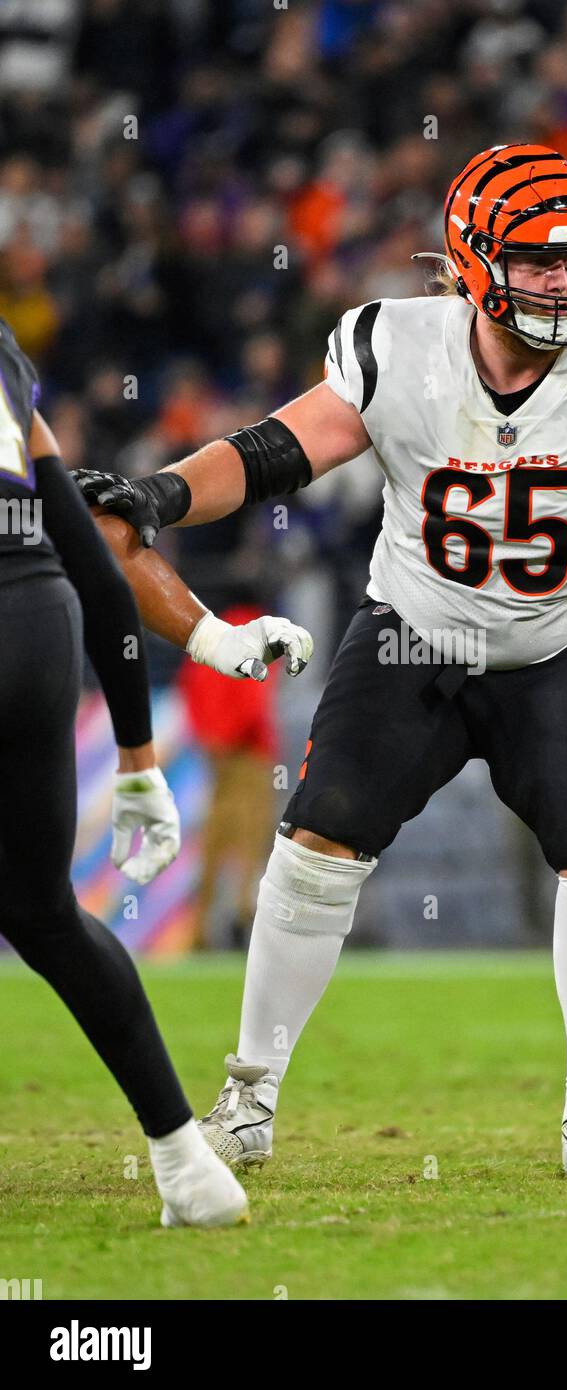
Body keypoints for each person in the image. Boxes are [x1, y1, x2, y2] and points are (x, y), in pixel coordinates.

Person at [75, 144, 567, 1178]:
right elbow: (274, 449)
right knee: (317, 841)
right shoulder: (399, 344)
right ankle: (248, 1095)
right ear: (475, 261)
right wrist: (162, 493)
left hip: (565, 646)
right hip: (415, 634)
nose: (565, 283)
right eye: (537, 262)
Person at [0, 315, 253, 1227]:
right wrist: (139, 759)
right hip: (38, 626)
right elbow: (100, 574)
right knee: (42, 914)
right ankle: (189, 1165)